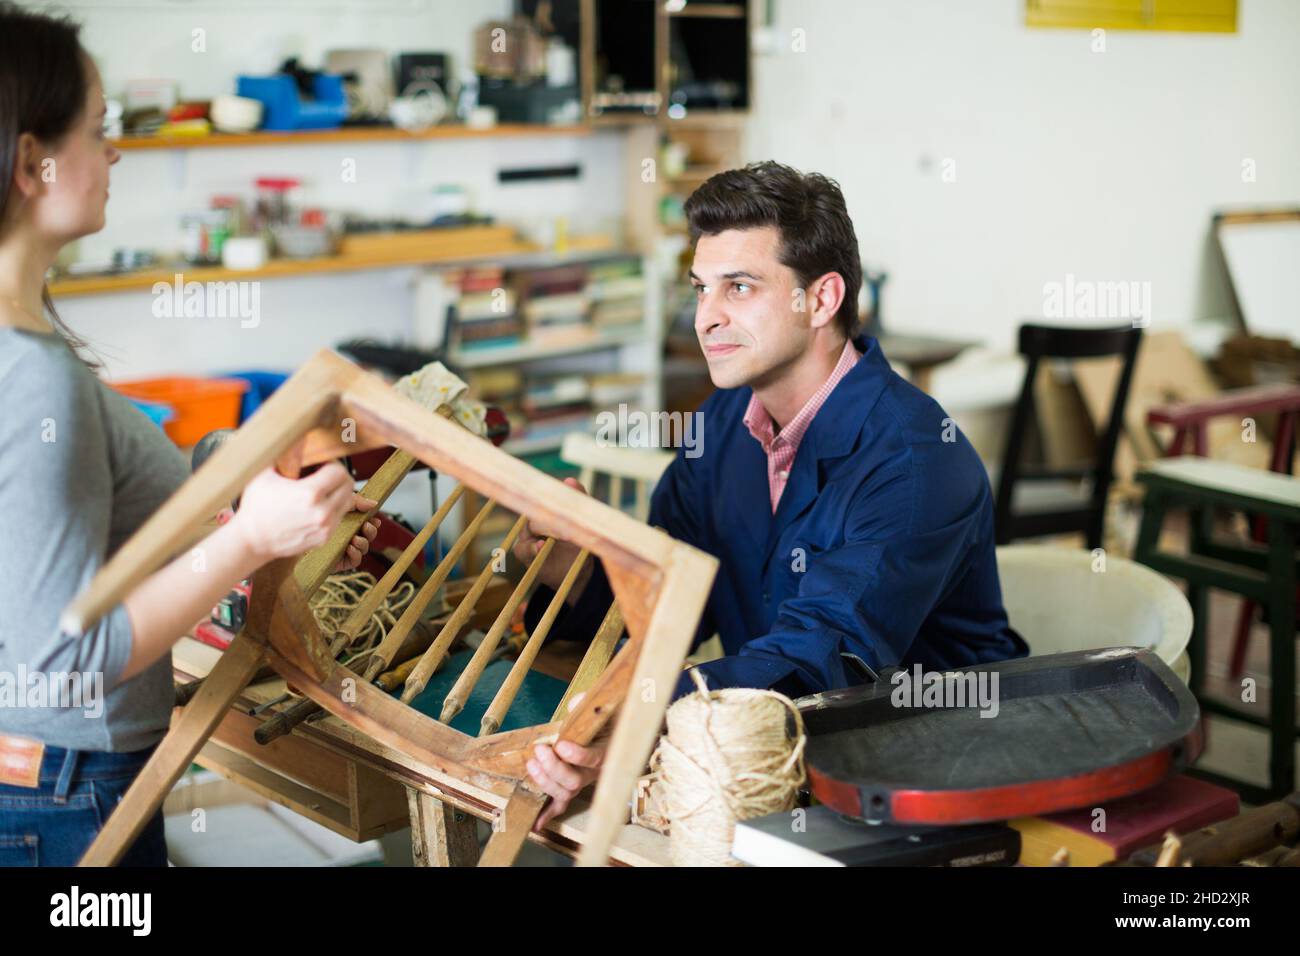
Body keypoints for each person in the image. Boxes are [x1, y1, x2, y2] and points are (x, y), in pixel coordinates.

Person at [515, 161, 1028, 825]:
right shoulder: (722, 424)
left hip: (927, 769)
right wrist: (572, 574)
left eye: (740, 288)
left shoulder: (916, 458)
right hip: (772, 749)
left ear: (820, 300)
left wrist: (640, 720)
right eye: (701, 289)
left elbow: (822, 661)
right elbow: (673, 602)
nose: (706, 318)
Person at [0, 3, 378, 866]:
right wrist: (253, 537)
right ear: (31, 162)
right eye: (98, 132)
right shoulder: (27, 374)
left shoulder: (26, 344)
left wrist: (229, 481)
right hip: (63, 791)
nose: (116, 153)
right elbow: (66, 657)